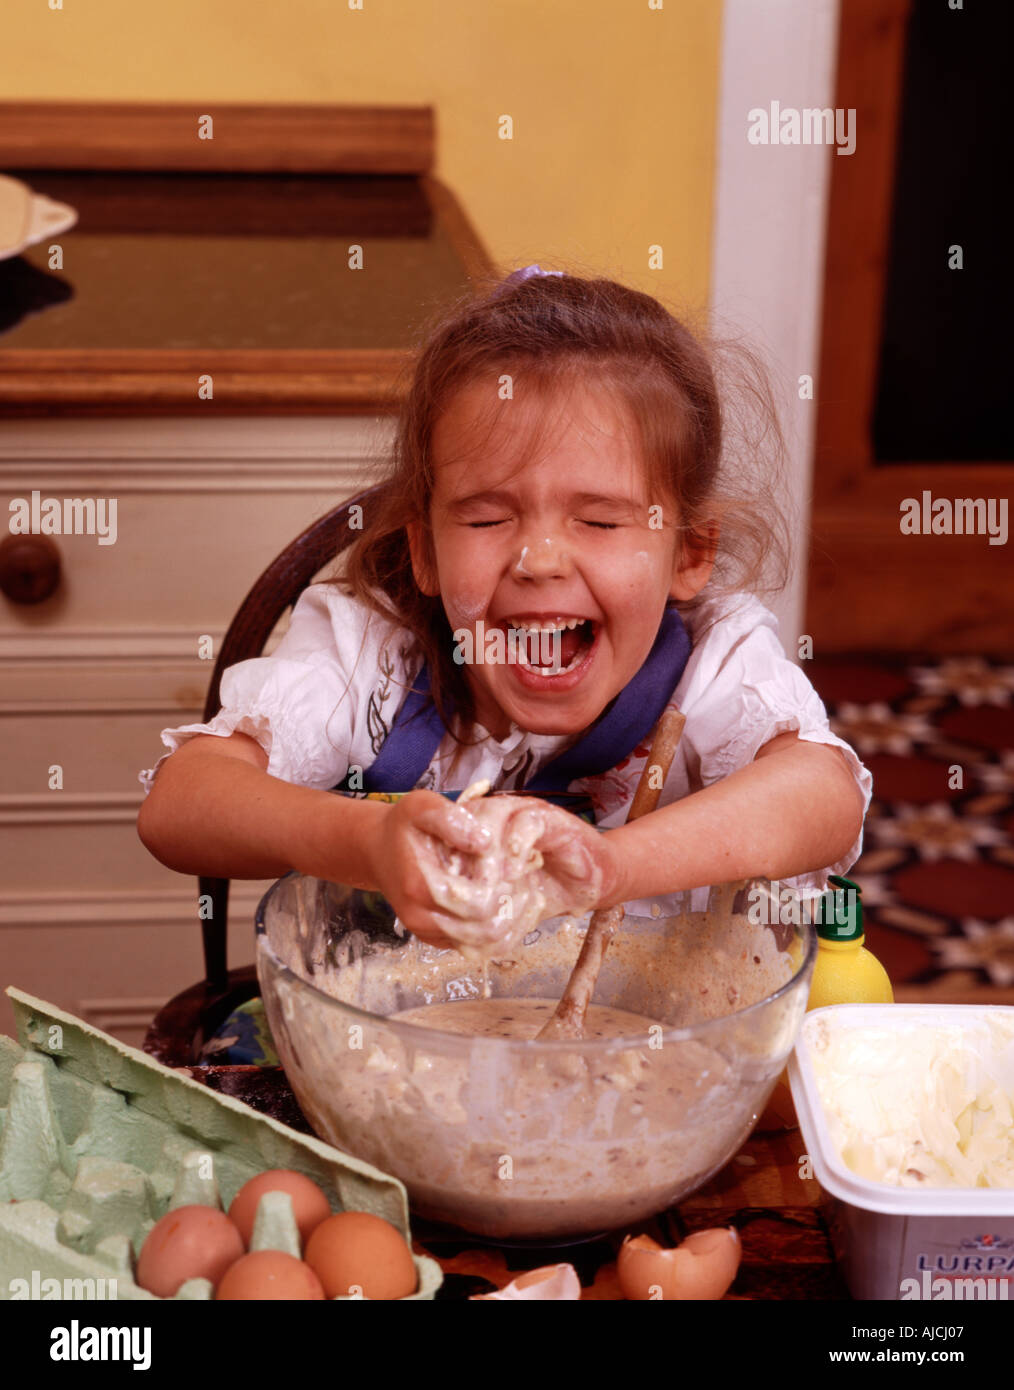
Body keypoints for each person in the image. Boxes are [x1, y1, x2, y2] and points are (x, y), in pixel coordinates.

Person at [137, 266, 870, 953]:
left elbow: (823, 798)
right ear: (424, 552)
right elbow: (181, 806)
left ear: (688, 553)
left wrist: (607, 866)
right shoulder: (371, 658)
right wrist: (368, 841)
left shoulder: (715, 667)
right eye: (486, 520)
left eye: (603, 522)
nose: (539, 559)